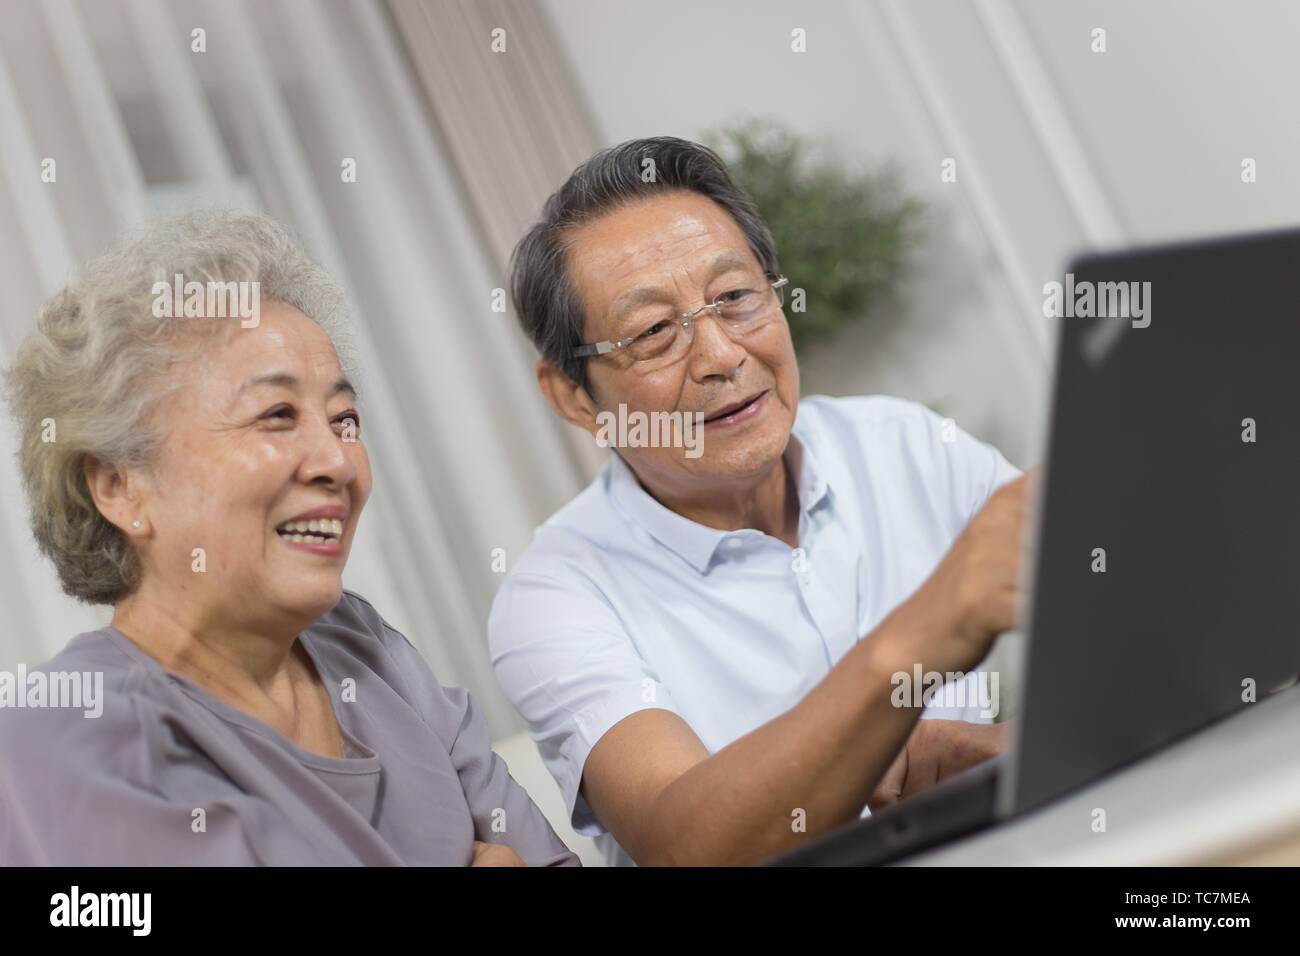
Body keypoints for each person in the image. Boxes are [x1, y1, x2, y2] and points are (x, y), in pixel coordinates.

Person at [491, 136, 1029, 866]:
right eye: (653, 332)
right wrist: (913, 651)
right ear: (572, 396)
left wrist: (1005, 753)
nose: (720, 356)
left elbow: (1140, 635)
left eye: (736, 298)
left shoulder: (907, 445)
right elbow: (687, 846)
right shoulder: (556, 596)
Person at [0, 210, 577, 866]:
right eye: (276, 415)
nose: (336, 459)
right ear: (120, 488)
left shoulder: (365, 650)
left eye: (344, 418)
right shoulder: (65, 728)